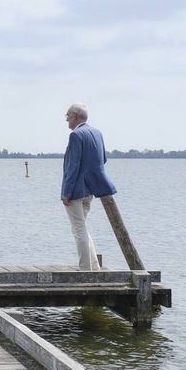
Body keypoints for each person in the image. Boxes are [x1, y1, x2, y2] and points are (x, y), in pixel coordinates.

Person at [61, 103, 116, 270]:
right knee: (82, 227)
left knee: (78, 229)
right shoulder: (97, 133)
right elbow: (103, 159)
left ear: (76, 116)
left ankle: (85, 269)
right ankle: (94, 266)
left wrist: (66, 192)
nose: (66, 119)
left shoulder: (76, 135)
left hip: (75, 191)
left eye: (68, 115)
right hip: (90, 189)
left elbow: (73, 166)